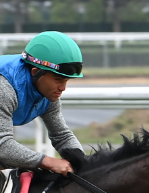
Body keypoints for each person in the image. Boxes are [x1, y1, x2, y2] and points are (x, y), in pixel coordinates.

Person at [0, 31, 85, 177]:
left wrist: (83, 165)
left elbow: (62, 136)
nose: (63, 88)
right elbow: (3, 147)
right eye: (58, 80)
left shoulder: (48, 94)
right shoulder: (4, 89)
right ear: (35, 72)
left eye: (66, 81)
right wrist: (50, 162)